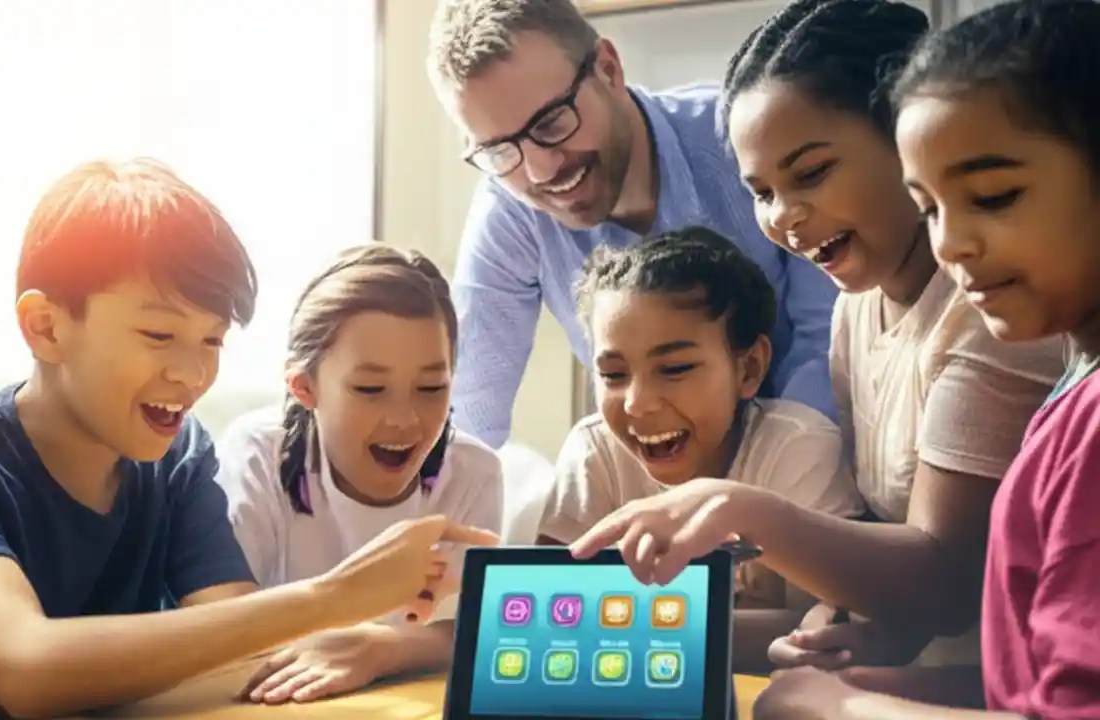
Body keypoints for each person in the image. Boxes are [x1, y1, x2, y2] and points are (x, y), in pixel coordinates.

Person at [0, 160, 496, 720]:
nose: (193, 374)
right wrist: (337, 596)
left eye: (212, 340)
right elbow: (27, 664)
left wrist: (63, 680)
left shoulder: (178, 461)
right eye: (159, 336)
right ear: (45, 327)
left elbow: (244, 648)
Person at [570, 0, 1065, 687]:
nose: (785, 217)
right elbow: (878, 533)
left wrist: (738, 507)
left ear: (907, 139)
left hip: (1003, 684)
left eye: (810, 174)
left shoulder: (995, 314)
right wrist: (836, 622)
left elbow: (947, 578)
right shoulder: (855, 309)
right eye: (761, 192)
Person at [750, 1, 1100, 715]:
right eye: (931, 207)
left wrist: (843, 709)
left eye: (993, 196)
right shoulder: (1072, 397)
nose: (950, 244)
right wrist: (870, 685)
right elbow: (1031, 683)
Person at [426, 0, 839, 449]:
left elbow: (829, 347)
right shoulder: (509, 211)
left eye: (552, 122)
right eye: (500, 150)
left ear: (608, 69)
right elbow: (469, 413)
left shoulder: (745, 139)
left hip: (816, 454)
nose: (540, 171)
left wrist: (771, 476)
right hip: (658, 465)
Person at [538, 228, 862, 671]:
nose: (637, 403)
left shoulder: (797, 447)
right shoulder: (594, 453)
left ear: (749, 368)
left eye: (674, 369)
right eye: (613, 375)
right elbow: (545, 615)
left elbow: (832, 623)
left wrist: (629, 629)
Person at [215, 244, 503, 704]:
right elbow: (221, 625)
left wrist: (383, 648)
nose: (404, 420)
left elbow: (480, 627)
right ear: (304, 387)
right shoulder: (258, 455)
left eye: (432, 387)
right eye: (370, 388)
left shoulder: (473, 472)